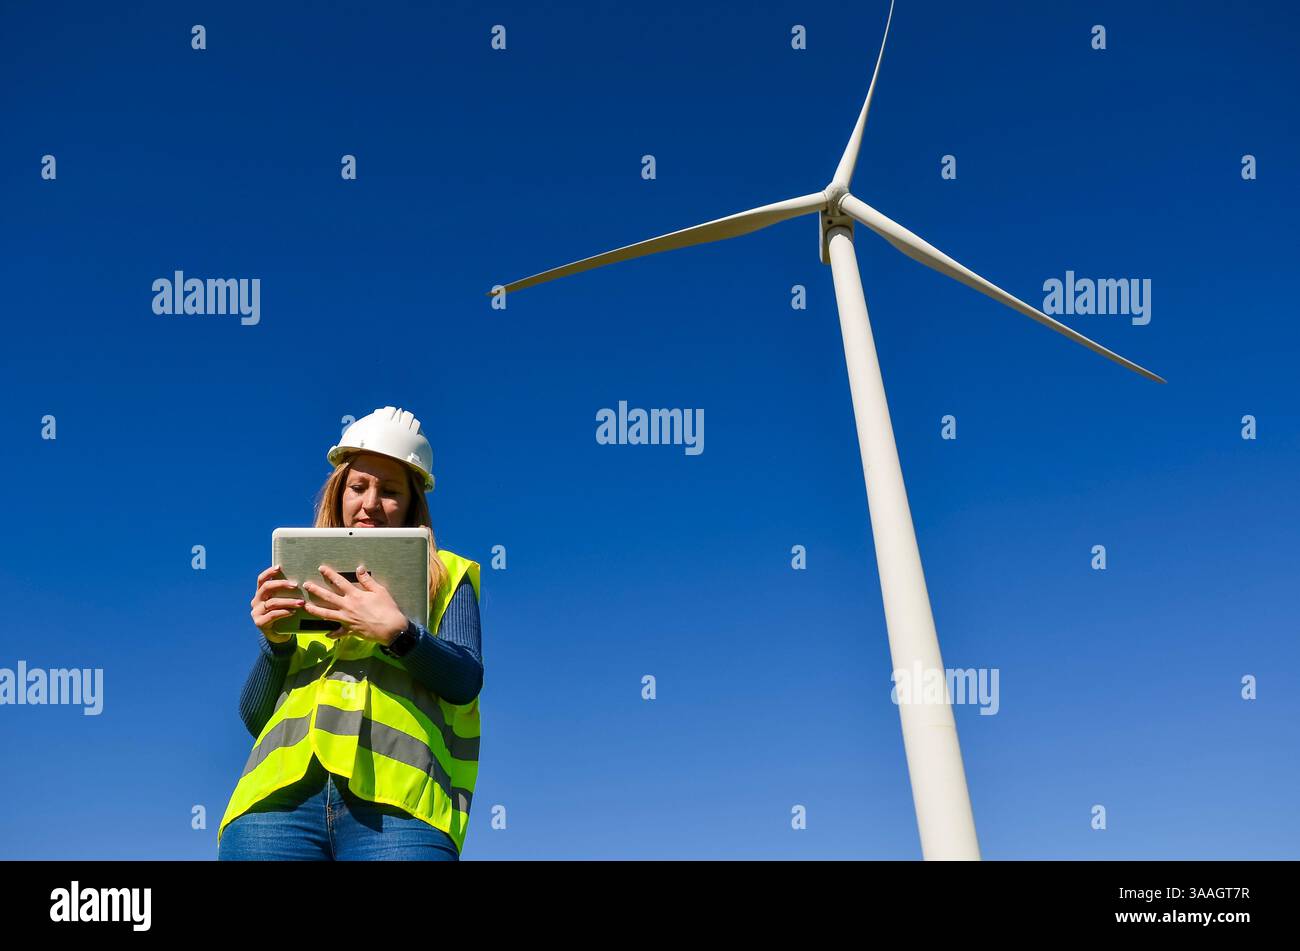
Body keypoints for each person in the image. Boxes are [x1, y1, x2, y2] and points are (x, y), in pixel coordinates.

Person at [216, 406, 483, 861]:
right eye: (358, 487)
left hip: (400, 809)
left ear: (414, 504)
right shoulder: (303, 577)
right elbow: (254, 717)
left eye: (391, 491)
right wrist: (275, 645)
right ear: (339, 493)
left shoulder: (448, 574)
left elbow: (464, 681)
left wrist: (400, 634)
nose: (371, 503)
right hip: (275, 805)